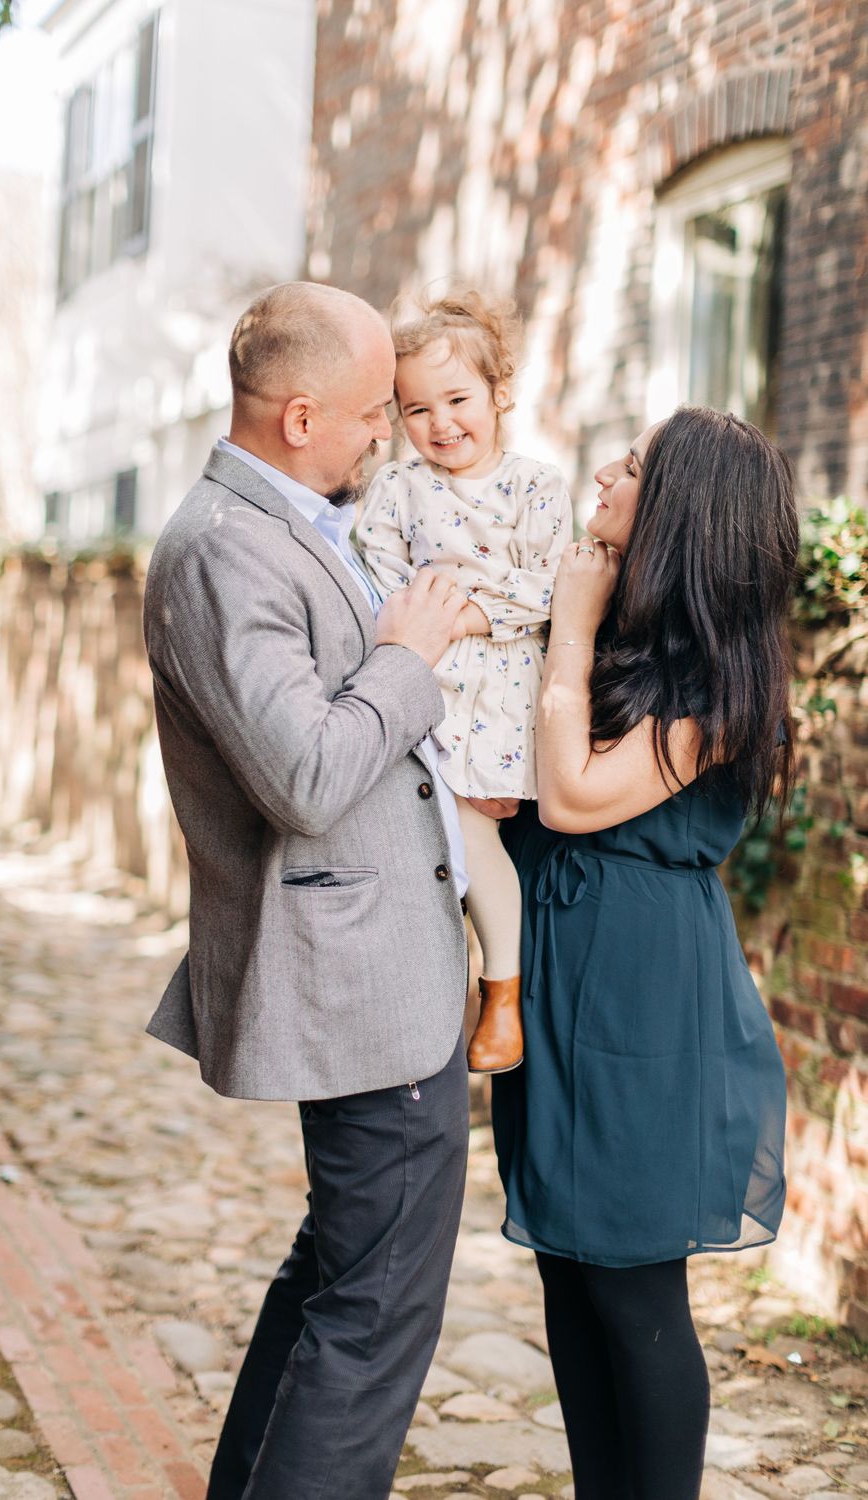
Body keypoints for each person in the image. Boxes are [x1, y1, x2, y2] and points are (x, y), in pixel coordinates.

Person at [142, 281, 473, 1500]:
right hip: (358, 989)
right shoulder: (223, 548)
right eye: (374, 410)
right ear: (297, 417)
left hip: (386, 974)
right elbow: (307, 776)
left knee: (337, 1281)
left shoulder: (294, 523)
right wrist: (407, 656)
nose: (387, 431)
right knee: (374, 1317)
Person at [490, 406, 796, 1500]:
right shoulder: (621, 636)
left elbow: (574, 798)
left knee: (632, 1288)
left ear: (678, 514)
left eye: (629, 470)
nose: (604, 481)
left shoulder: (719, 688)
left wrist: (570, 630)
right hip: (555, 968)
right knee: (568, 1274)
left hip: (639, 991)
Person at [357, 290, 572, 1074]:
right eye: (417, 409)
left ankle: (501, 995)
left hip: (502, 702)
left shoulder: (536, 486)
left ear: (499, 393)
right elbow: (379, 592)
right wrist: (430, 623)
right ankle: (431, 996)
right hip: (422, 689)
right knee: (419, 840)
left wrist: (466, 612)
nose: (441, 423)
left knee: (476, 839)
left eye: (457, 400)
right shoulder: (396, 490)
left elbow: (549, 586)